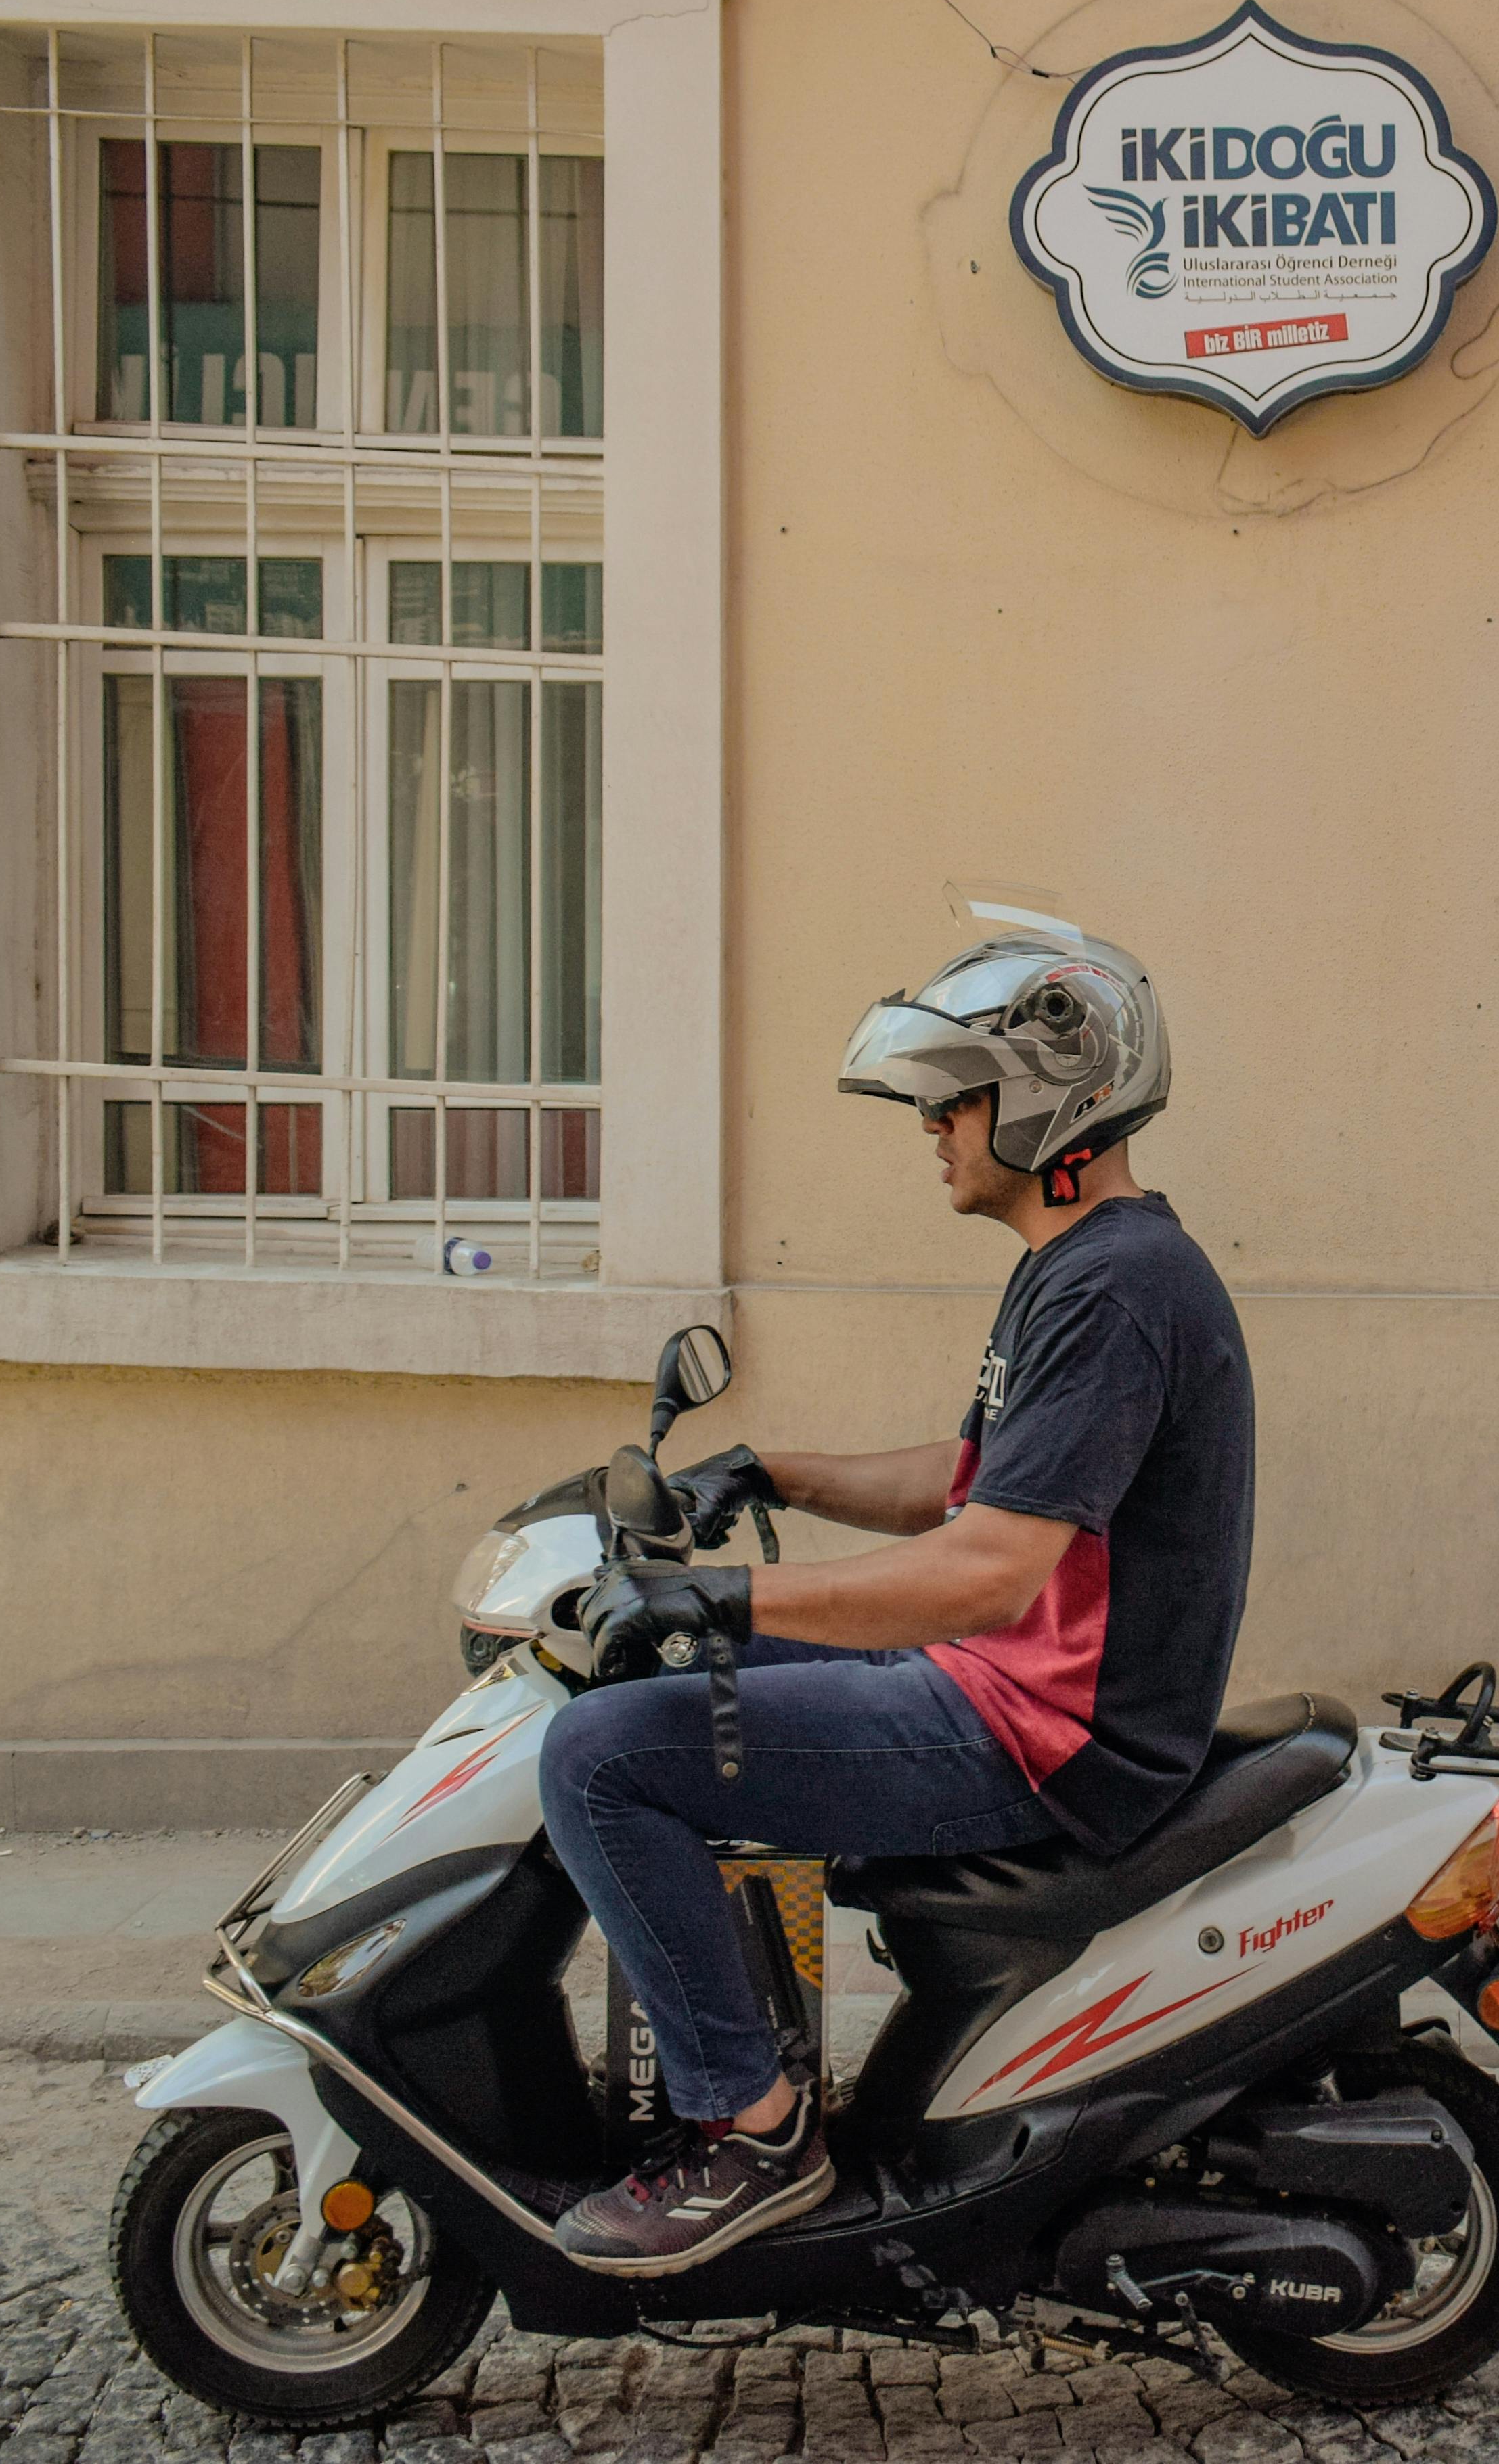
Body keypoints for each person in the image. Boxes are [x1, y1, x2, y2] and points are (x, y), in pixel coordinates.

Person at [536, 915, 1256, 2277]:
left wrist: (725, 1608)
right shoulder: (1084, 1270)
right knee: (650, 1717)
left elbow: (987, 1569)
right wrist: (762, 1471)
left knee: (600, 1760)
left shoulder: (1116, 1286)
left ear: (1054, 1104)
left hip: (1043, 1737)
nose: (930, 1127)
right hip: (1012, 1698)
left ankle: (751, 2137)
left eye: (953, 1099)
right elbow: (972, 1480)